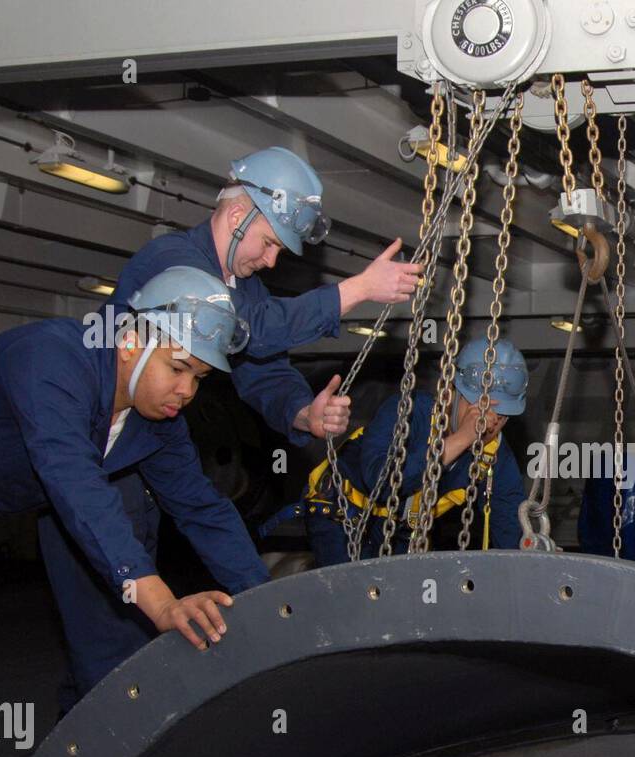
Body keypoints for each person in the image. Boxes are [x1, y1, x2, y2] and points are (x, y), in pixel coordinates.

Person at [36, 146, 422, 709]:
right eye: (270, 243)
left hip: (144, 464)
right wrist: (356, 291)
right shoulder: (169, 263)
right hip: (93, 475)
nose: (270, 261)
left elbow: (259, 365)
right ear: (239, 215)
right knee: (109, 644)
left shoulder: (241, 288)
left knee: (123, 640)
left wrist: (302, 413)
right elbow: (256, 329)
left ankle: (85, 754)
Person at [0, 267, 270, 656]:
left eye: (200, 377)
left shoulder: (157, 423)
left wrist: (267, 600)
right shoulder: (52, 358)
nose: (187, 391)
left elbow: (200, 507)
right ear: (129, 343)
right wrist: (161, 603)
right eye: (177, 369)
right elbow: (74, 478)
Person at [300, 338, 529, 563]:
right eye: (481, 408)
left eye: (501, 416)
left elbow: (508, 524)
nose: (491, 423)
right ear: (452, 392)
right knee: (351, 593)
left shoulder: (493, 452)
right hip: (340, 513)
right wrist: (461, 439)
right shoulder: (408, 412)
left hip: (401, 527)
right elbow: (383, 483)